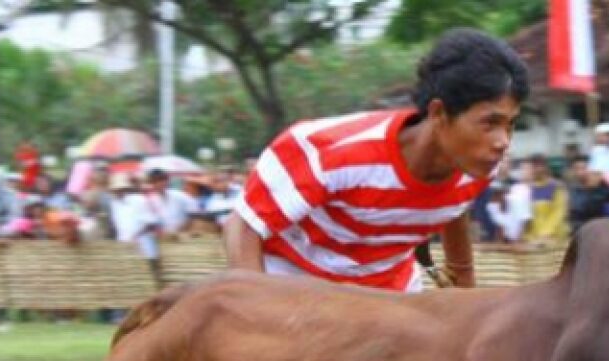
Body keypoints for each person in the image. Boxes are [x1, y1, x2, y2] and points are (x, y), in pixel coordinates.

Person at [223, 29, 528, 290]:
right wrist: (257, 313)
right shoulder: (326, 152)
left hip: (387, 303)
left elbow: (454, 209)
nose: (503, 142)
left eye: (511, 124)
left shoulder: (477, 167)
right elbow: (243, 225)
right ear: (438, 114)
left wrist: (464, 306)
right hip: (295, 290)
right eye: (490, 123)